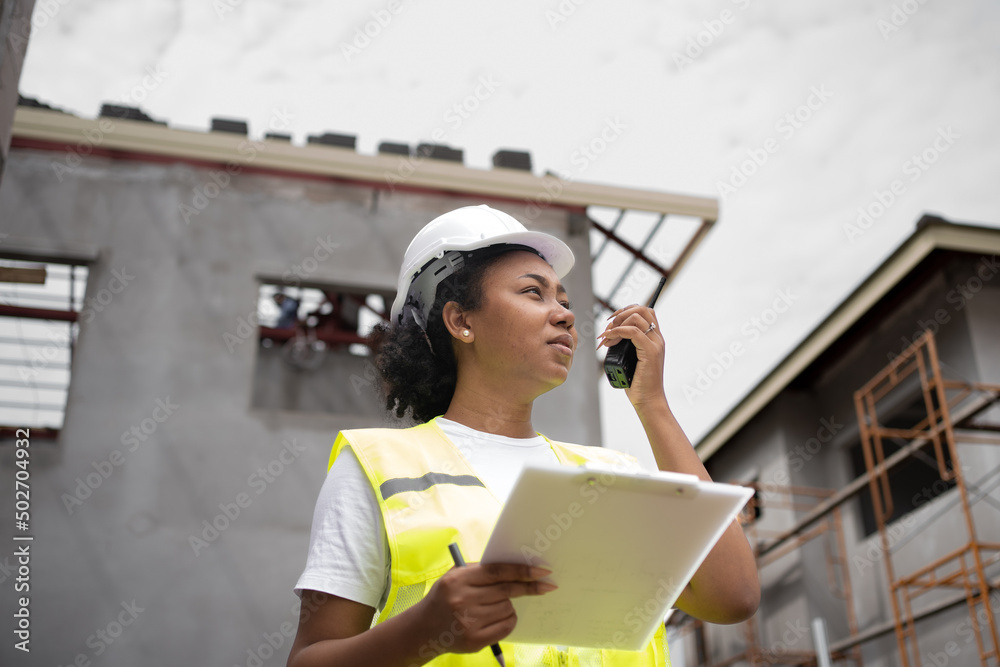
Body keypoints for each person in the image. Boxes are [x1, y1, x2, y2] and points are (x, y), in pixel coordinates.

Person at [287, 205, 760, 667]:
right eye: (533, 293)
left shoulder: (611, 474)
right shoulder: (379, 467)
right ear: (461, 321)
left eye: (564, 301)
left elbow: (732, 596)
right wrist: (424, 631)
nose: (565, 315)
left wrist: (651, 403)